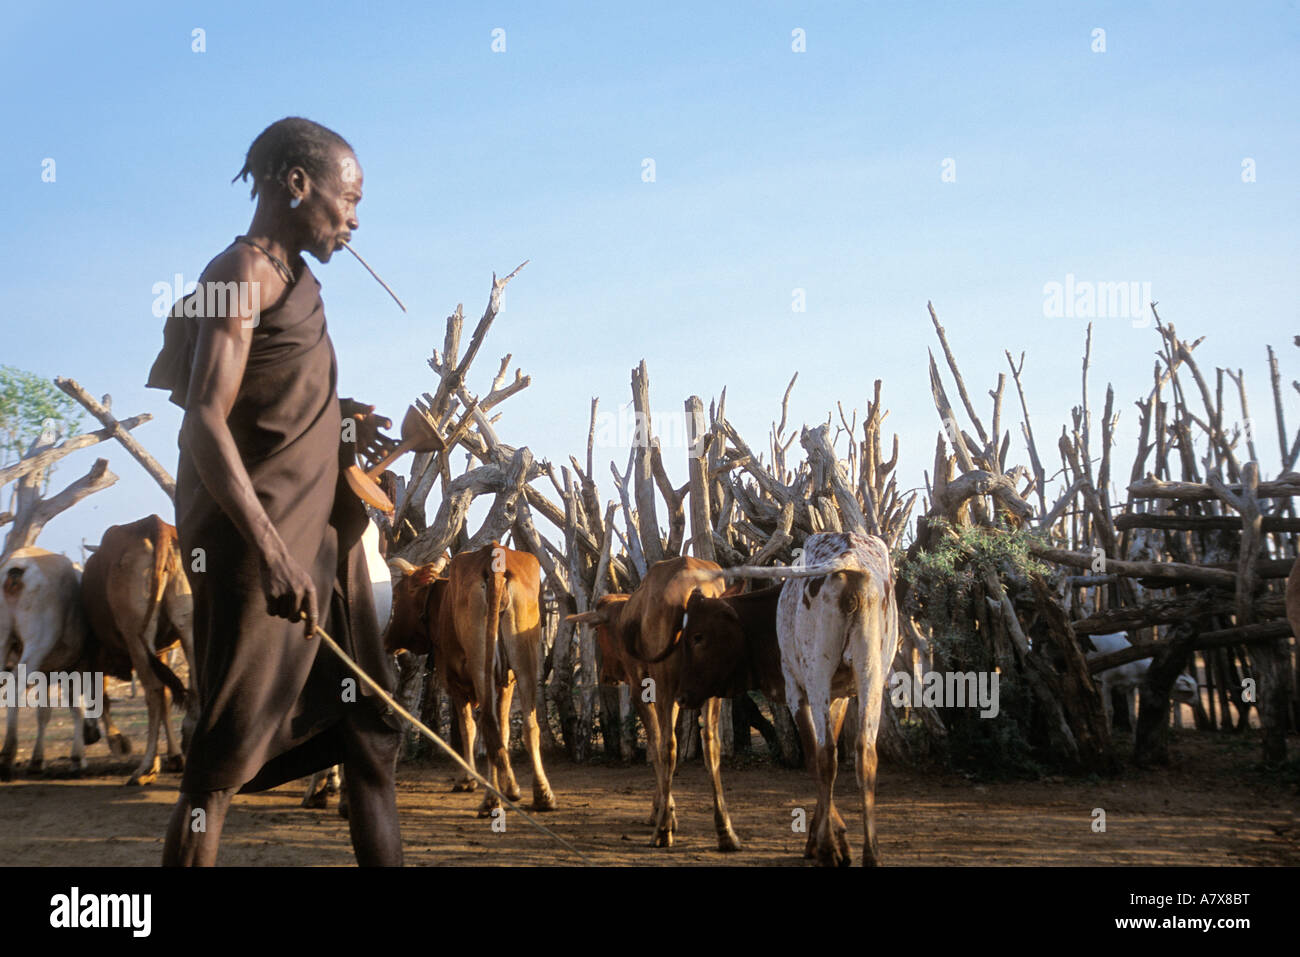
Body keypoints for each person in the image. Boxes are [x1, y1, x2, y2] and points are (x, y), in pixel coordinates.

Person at [146, 117, 403, 866]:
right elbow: (203, 421)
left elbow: (269, 403)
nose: (354, 218)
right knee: (219, 765)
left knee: (369, 741)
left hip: (324, 543)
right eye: (347, 199)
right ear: (296, 184)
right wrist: (271, 556)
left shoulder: (297, 282)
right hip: (262, 552)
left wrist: (337, 415)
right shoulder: (240, 273)